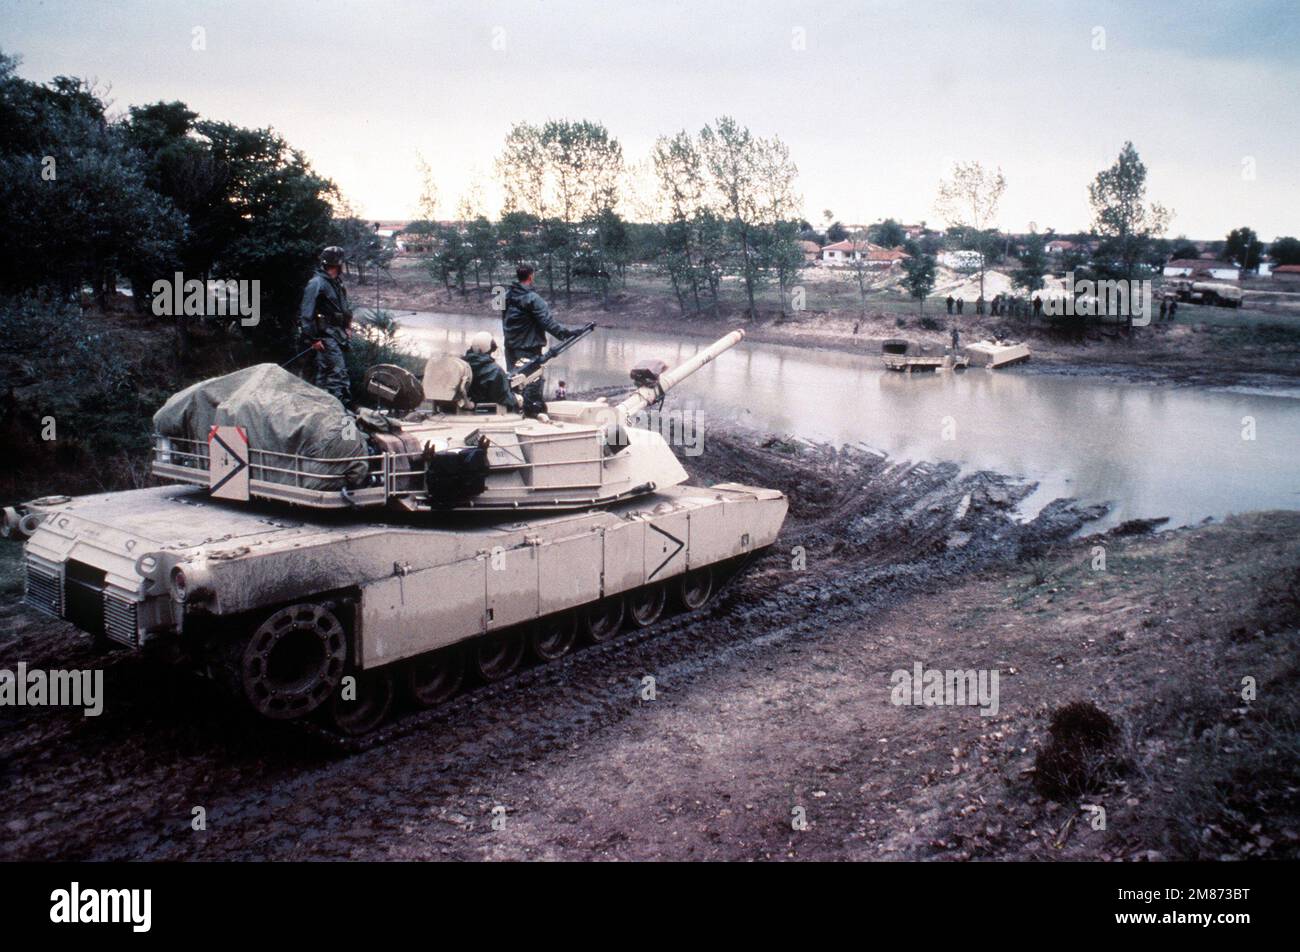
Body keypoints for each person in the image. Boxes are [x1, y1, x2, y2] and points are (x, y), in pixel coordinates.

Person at [502, 265, 580, 409]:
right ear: (531, 276)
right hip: (529, 348)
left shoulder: (506, 296)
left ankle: (512, 411)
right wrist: (565, 333)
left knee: (513, 381)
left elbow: (504, 319)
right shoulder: (533, 299)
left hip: (510, 347)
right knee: (532, 382)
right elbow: (547, 322)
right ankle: (532, 414)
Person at [298, 246, 353, 404]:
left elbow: (344, 308)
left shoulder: (336, 283)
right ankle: (338, 409)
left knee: (326, 374)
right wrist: (313, 339)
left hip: (337, 334)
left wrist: (347, 326)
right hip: (325, 336)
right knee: (337, 374)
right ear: (337, 264)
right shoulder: (317, 283)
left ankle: (321, 407)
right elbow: (306, 315)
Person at [463, 331, 519, 410]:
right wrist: (517, 399)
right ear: (490, 349)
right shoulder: (495, 371)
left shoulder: (463, 365)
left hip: (468, 408)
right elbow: (503, 398)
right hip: (489, 412)